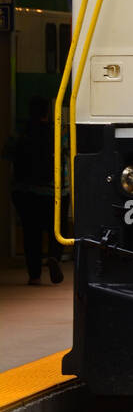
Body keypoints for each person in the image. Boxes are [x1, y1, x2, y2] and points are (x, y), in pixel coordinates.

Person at [5, 96, 64, 285]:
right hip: (53, 192)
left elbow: (6, 154)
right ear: (48, 112)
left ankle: (35, 276)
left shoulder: (19, 133)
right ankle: (54, 256)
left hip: (25, 191)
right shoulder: (56, 133)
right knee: (57, 229)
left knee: (31, 234)